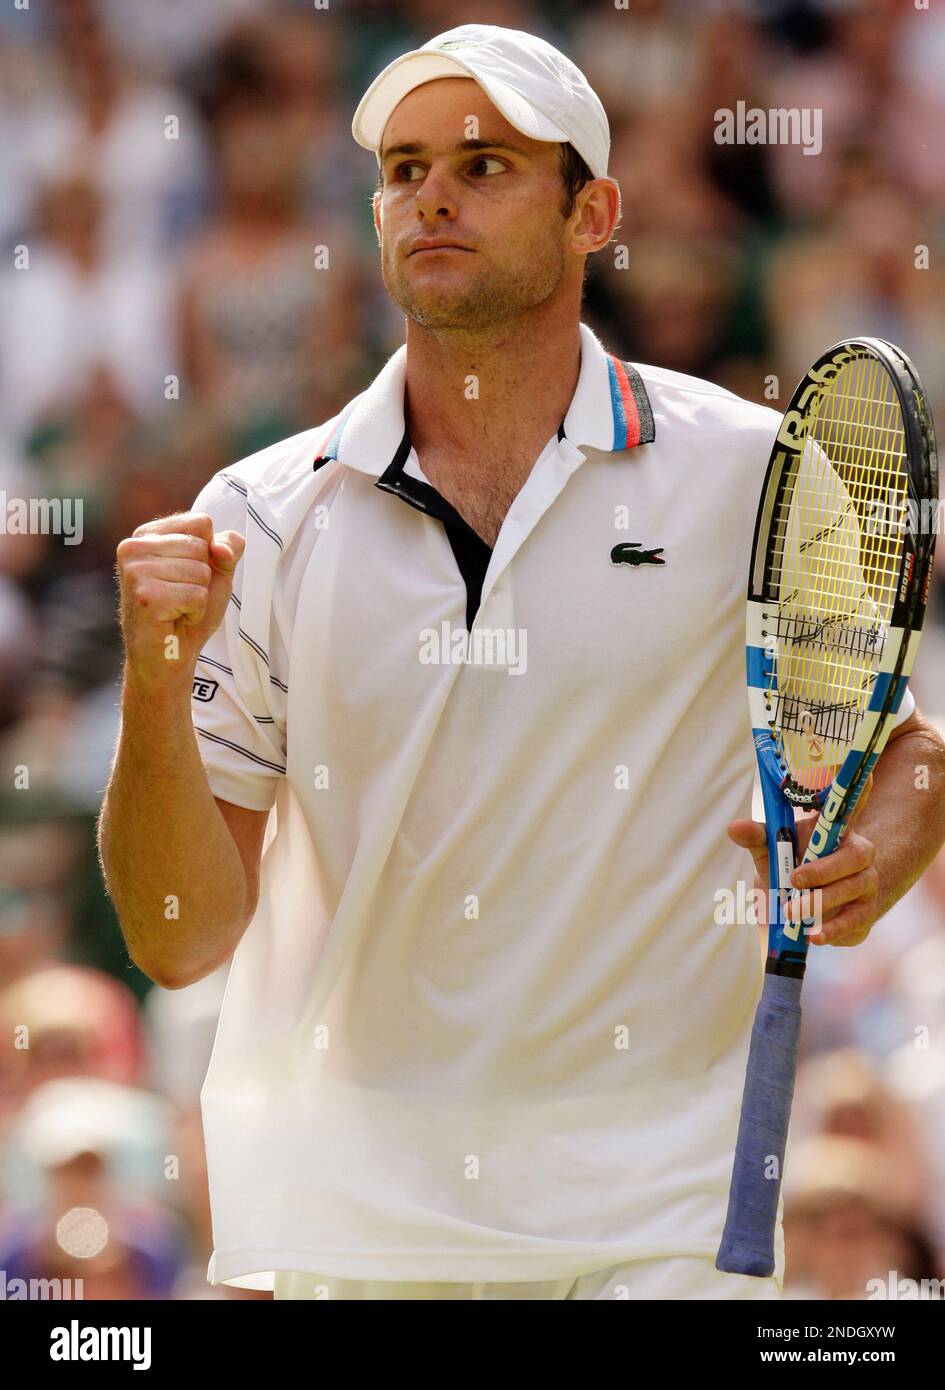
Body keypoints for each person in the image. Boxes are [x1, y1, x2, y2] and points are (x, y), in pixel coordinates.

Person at [97, 24, 945, 1301]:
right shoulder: (259, 516)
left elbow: (906, 750)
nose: (431, 193)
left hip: (666, 1221)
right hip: (354, 1227)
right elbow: (177, 935)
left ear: (591, 212)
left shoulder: (758, 471)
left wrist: (877, 852)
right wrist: (152, 693)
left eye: (486, 165)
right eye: (405, 168)